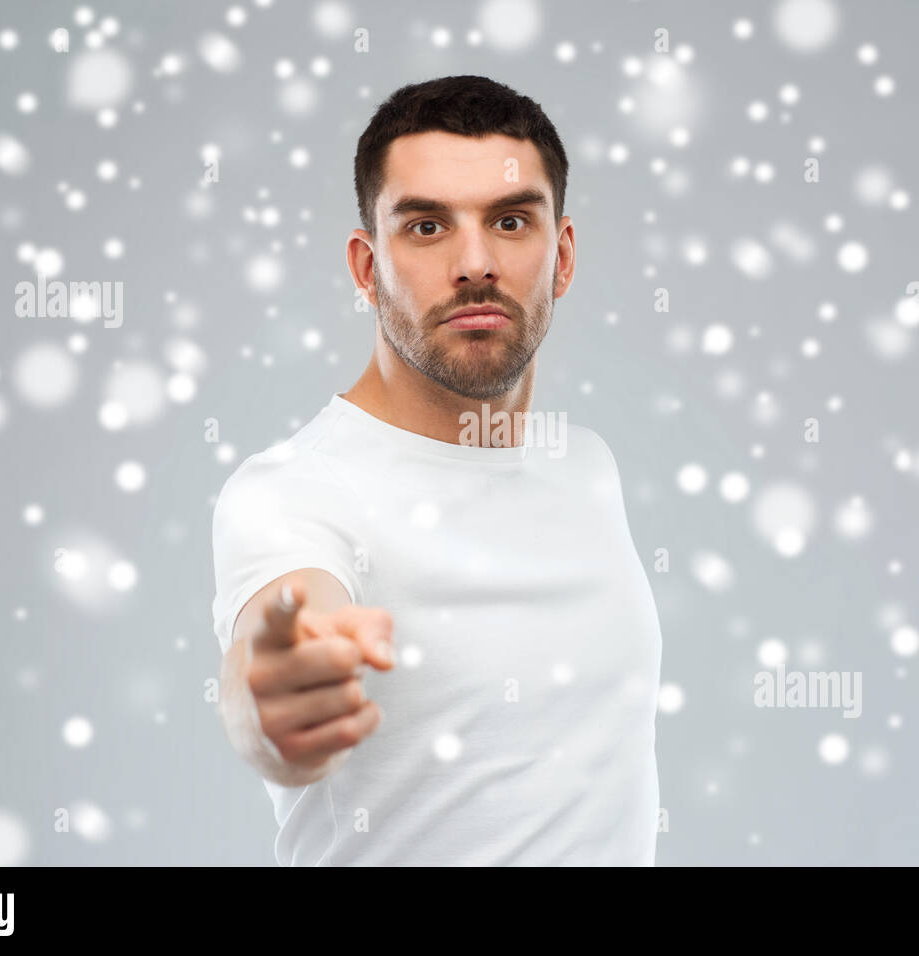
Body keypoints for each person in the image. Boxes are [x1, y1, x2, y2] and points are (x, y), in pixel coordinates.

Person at [211, 75, 663, 865]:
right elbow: (273, 661)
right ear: (365, 267)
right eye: (426, 227)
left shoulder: (586, 465)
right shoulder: (294, 493)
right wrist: (278, 701)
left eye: (511, 220)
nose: (475, 263)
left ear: (561, 258)